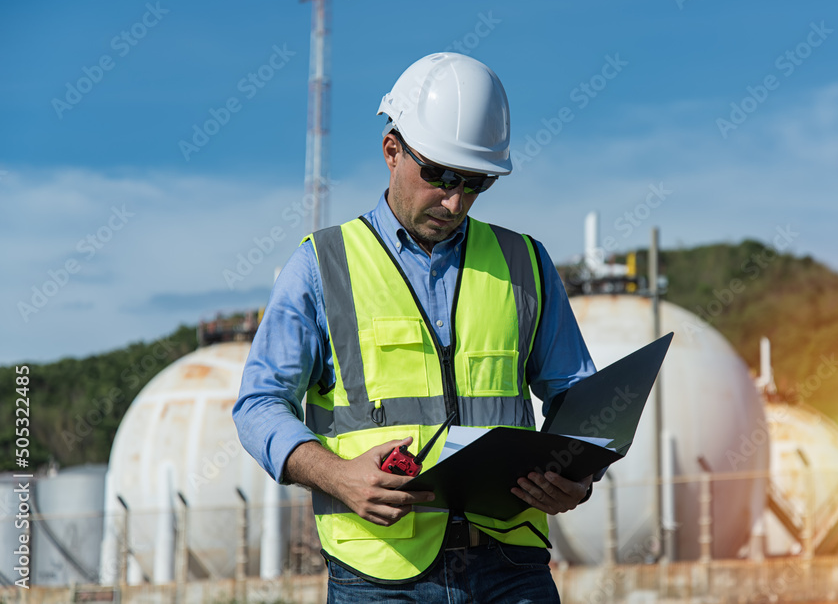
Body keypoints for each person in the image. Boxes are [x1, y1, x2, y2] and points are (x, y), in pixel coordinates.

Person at [233, 52, 597, 603]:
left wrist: (579, 474)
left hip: (510, 566)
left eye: (475, 182)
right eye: (440, 176)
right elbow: (258, 405)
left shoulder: (527, 263)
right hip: (377, 574)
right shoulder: (321, 265)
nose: (454, 201)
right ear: (392, 151)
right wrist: (338, 477)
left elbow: (577, 396)